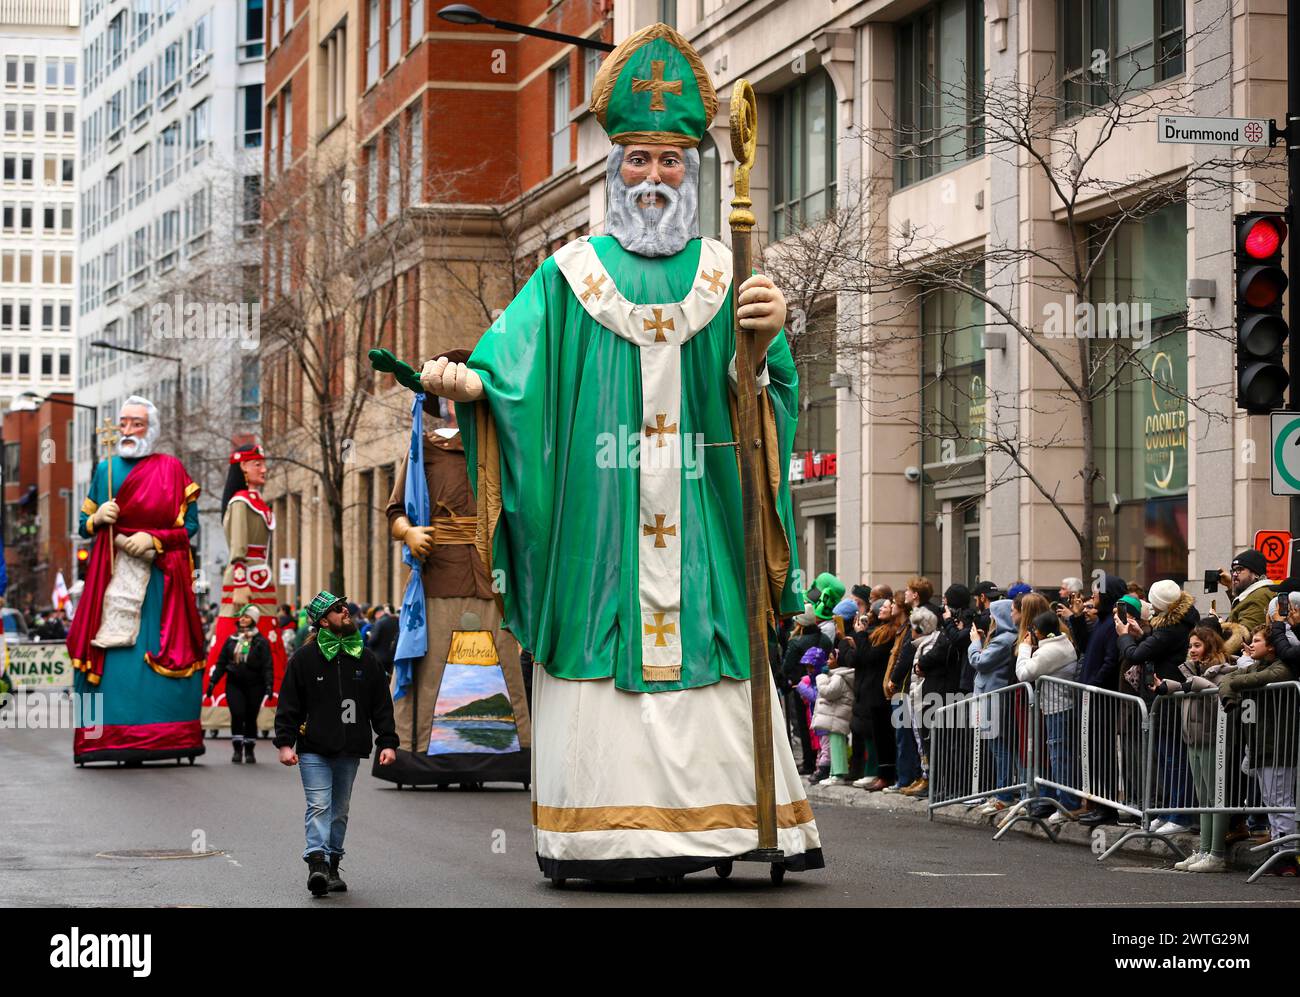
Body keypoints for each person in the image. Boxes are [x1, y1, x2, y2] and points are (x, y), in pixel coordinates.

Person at [428, 23, 821, 882]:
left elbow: (769, 398)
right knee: (601, 634)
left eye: (669, 160)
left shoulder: (729, 275)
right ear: (613, 169)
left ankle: (727, 827)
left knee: (711, 641)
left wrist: (767, 340)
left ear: (693, 169)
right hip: (598, 538)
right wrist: (472, 387)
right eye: (636, 159)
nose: (652, 177)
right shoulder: (569, 276)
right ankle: (600, 833)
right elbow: (510, 370)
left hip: (704, 534)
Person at [385, 360, 531, 789]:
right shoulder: (422, 449)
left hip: (492, 577)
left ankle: (504, 751)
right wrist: (409, 532)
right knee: (434, 667)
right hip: (439, 575)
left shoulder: (502, 447)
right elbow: (395, 511)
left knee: (500, 663)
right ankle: (424, 751)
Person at [66, 396, 206, 764]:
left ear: (151, 429)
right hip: (110, 576)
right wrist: (98, 520)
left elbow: (190, 527)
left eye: (137, 424)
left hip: (160, 579)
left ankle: (167, 734)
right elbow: (83, 525)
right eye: (124, 422)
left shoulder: (172, 469)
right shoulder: (105, 470)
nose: (128, 430)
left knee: (155, 652)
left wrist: (155, 539)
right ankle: (100, 735)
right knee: (110, 657)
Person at [274, 591, 399, 896]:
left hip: (350, 747)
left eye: (344, 606)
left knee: (339, 810)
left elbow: (381, 705)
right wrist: (285, 744)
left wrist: (387, 742)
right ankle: (316, 864)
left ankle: (332, 864)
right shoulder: (304, 659)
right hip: (313, 746)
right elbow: (288, 704)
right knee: (319, 805)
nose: (346, 610)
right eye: (337, 609)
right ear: (323, 621)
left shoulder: (365, 658)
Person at [203, 444, 287, 739]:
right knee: (233, 635)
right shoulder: (240, 502)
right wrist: (240, 579)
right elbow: (238, 545)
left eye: (263, 464)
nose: (263, 469)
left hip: (260, 578)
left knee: (268, 636)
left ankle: (269, 707)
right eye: (257, 464)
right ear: (243, 468)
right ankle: (224, 706)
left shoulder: (255, 500)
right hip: (247, 580)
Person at [1116, 578, 1199, 834]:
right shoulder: (1174, 624)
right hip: (1162, 697)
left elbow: (1137, 655)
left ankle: (1180, 815)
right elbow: (1153, 645)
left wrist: (1124, 637)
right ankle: (1167, 811)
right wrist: (1143, 636)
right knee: (1164, 757)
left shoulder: (1171, 628)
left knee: (1173, 758)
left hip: (1169, 699)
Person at [1150, 625, 1235, 872]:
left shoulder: (1224, 669)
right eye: (1190, 646)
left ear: (1210, 645)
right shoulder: (1191, 670)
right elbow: (1188, 687)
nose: (1192, 650)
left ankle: (1216, 854)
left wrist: (1192, 684)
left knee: (1215, 798)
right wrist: (1166, 686)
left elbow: (1215, 693)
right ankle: (1205, 850)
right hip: (1194, 739)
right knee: (1203, 799)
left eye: (1197, 645)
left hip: (1213, 740)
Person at [1217, 619, 1298, 876]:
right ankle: (1278, 849)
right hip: (1262, 745)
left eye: (1257, 641)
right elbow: (1229, 677)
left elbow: (1256, 678)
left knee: (1280, 802)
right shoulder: (1257, 665)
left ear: (1272, 647)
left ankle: (1288, 854)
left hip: (1279, 746)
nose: (1250, 645)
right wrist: (1229, 692)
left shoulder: (1283, 668)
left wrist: (1234, 685)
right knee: (1270, 801)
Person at [1015, 610, 1081, 822]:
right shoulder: (1062, 643)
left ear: (1040, 632)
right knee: (1060, 755)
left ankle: (1067, 805)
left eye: (1034, 630)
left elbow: (1024, 673)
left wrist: (1025, 649)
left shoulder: (1050, 650)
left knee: (1059, 756)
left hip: (1059, 708)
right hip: (1058, 706)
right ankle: (1065, 802)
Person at [967, 598, 1018, 813]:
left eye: (993, 616)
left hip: (993, 698)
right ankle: (1001, 792)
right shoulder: (1002, 638)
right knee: (997, 748)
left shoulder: (1004, 640)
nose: (990, 620)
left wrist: (975, 642)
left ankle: (1004, 794)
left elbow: (979, 661)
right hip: (989, 697)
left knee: (1000, 749)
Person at [207, 605, 274, 763]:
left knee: (251, 716)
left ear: (254, 620)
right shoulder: (231, 640)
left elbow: (267, 665)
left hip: (255, 685)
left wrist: (269, 685)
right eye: (241, 617)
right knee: (237, 714)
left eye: (247, 616)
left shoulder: (261, 642)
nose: (242, 619)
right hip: (234, 684)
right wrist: (212, 682)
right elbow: (222, 662)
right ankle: (237, 749)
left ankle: (249, 750)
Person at [811, 644, 855, 786]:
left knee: (837, 745)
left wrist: (821, 677)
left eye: (830, 659)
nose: (827, 662)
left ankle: (838, 774)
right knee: (835, 744)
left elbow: (828, 692)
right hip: (836, 718)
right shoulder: (838, 676)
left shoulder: (839, 677)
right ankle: (834, 773)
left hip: (837, 718)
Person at [1223, 550, 1275, 634]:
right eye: (1233, 570)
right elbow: (1242, 607)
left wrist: (1217, 628)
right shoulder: (1257, 593)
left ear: (1256, 574)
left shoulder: (1259, 597)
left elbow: (1244, 635)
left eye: (1239, 569)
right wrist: (1230, 586)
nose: (1235, 575)